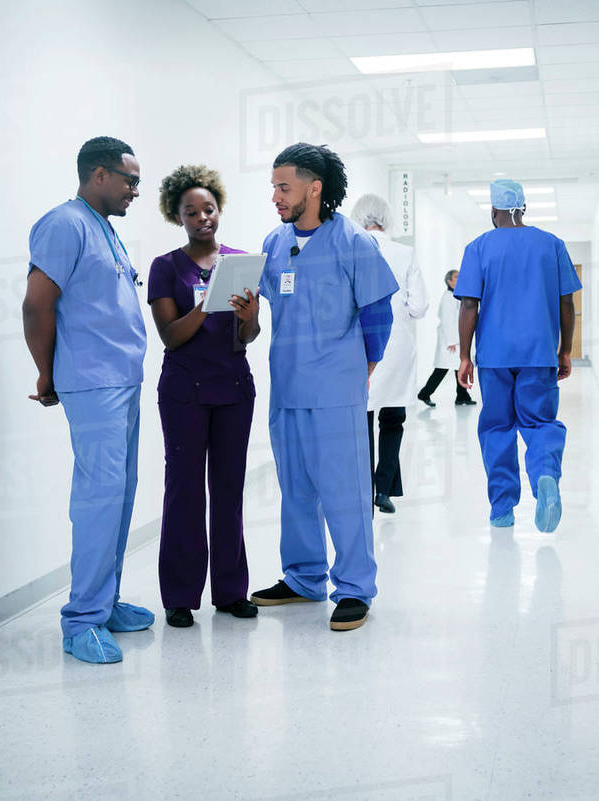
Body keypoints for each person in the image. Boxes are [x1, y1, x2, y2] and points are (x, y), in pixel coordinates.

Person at [249, 143, 399, 631]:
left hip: (336, 390)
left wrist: (363, 368)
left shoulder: (354, 242)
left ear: (314, 189)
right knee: (295, 490)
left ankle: (354, 587)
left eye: (283, 187)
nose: (275, 196)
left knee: (345, 492)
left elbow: (378, 316)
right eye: (274, 186)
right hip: (288, 387)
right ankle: (303, 578)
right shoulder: (274, 243)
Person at [22, 136, 155, 664]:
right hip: (93, 383)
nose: (136, 191)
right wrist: (46, 371)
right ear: (99, 175)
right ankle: (82, 621)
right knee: (99, 500)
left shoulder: (105, 229)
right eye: (130, 180)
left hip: (122, 381)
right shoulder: (65, 224)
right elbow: (36, 304)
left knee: (119, 497)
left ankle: (105, 601)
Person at [147, 165, 261, 629]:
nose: (202, 218)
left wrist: (249, 317)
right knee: (185, 492)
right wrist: (206, 301)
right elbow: (171, 336)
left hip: (233, 388)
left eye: (208, 209)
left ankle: (231, 592)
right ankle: (179, 596)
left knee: (229, 490)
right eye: (191, 212)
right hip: (184, 393)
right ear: (177, 217)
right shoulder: (165, 267)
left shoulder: (239, 262)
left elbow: (246, 337)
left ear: (219, 209)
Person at [455, 179, 581, 533]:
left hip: (494, 357)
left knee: (497, 428)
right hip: (539, 354)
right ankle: (545, 475)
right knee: (540, 423)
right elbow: (567, 302)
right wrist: (565, 350)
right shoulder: (551, 245)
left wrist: (464, 356)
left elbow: (469, 305)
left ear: (493, 210)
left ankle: (502, 509)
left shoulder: (478, 247)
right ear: (523, 208)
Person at [349, 193, 429, 515]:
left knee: (363, 420)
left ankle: (364, 490)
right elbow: (419, 306)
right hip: (397, 346)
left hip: (361, 346)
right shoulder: (405, 252)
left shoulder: (352, 250)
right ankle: (384, 491)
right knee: (393, 420)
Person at [417, 269, 475, 407]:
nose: (459, 278)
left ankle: (462, 396)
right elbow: (446, 320)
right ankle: (424, 393)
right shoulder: (448, 297)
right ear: (449, 281)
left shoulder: (456, 296)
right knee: (442, 370)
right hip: (451, 342)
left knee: (458, 367)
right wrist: (451, 341)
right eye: (456, 277)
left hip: (457, 340)